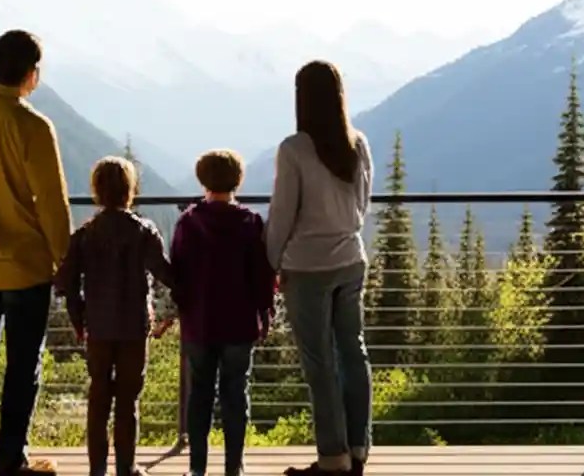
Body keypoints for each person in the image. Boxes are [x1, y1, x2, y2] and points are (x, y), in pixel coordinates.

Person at [0, 30, 72, 476]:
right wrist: (65, 259)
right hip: (24, 266)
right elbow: (52, 202)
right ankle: (10, 459)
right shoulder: (34, 126)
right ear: (31, 74)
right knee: (23, 365)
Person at [265, 61, 374, 476]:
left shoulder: (293, 148)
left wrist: (271, 262)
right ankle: (359, 447)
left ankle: (333, 457)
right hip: (351, 260)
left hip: (307, 268)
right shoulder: (357, 143)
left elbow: (282, 215)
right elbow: (362, 203)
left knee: (320, 363)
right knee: (353, 352)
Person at [58, 156, 172, 476]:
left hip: (98, 328)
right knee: (127, 400)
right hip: (134, 327)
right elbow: (165, 273)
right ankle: (126, 467)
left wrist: (79, 321)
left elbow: (66, 284)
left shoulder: (84, 234)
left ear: (97, 189)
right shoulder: (143, 230)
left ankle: (96, 469)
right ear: (130, 188)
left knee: (98, 398)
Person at [172, 149, 274, 476]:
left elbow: (178, 273)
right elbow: (262, 275)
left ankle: (197, 468)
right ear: (237, 180)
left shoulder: (188, 222)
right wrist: (265, 313)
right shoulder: (251, 222)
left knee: (199, 394)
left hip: (199, 324)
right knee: (235, 394)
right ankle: (234, 466)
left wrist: (181, 311)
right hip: (239, 323)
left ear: (203, 179)